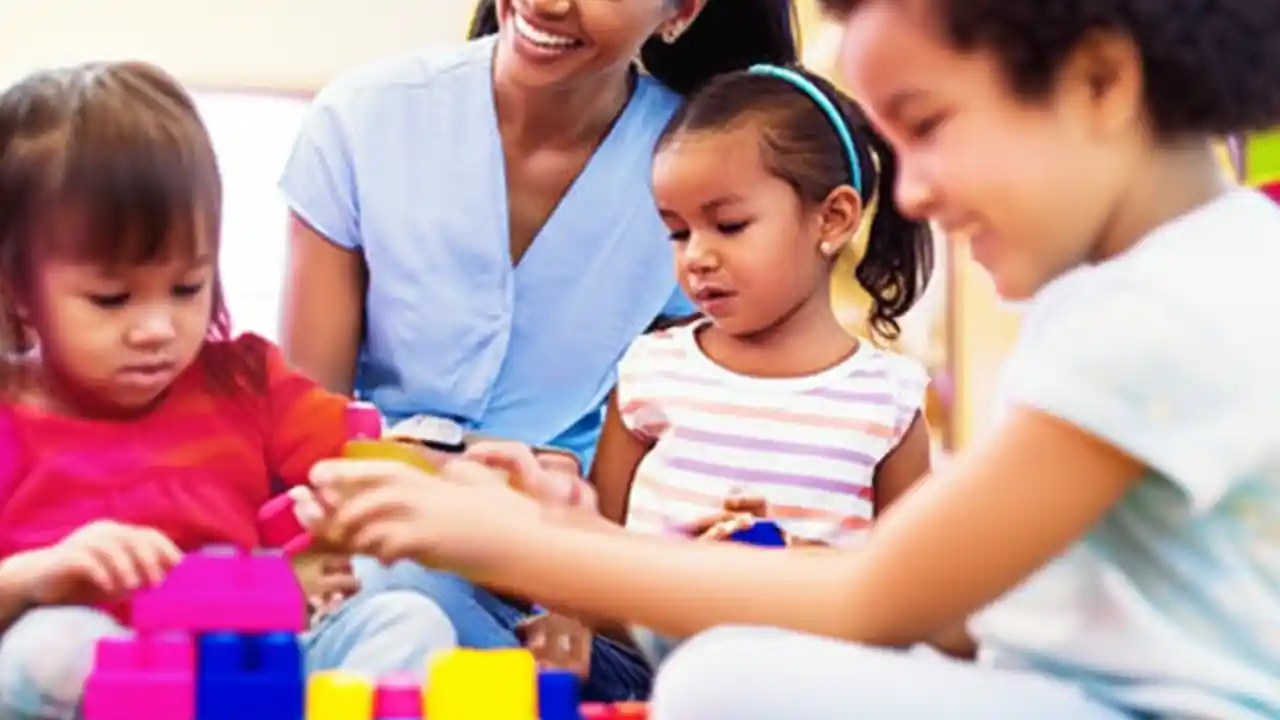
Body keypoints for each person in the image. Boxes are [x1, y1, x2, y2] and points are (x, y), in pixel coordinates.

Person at [305, 0, 1280, 717]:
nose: (914, 196)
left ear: (1099, 86)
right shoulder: (1157, 281)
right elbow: (958, 611)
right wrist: (583, 539)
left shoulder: (1164, 312)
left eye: (928, 127)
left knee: (722, 688)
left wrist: (505, 545)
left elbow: (880, 595)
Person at [278, 0, 796, 702]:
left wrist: (574, 597)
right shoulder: (365, 120)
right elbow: (303, 435)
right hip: (375, 544)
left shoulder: (699, 176)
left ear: (681, 12)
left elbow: (660, 468)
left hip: (560, 582)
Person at [0, 62, 454, 720]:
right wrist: (36, 575)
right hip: (101, 677)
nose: (157, 329)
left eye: (187, 288)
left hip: (257, 665)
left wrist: (482, 479)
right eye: (111, 299)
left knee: (410, 622)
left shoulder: (244, 381)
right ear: (16, 291)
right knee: (50, 648)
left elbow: (372, 463)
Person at [582, 66, 937, 661]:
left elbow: (916, 605)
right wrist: (675, 582)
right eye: (676, 232)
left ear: (833, 219)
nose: (696, 257)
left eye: (729, 226)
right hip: (647, 680)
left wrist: (799, 575)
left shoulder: (888, 402)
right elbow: (590, 574)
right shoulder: (651, 372)